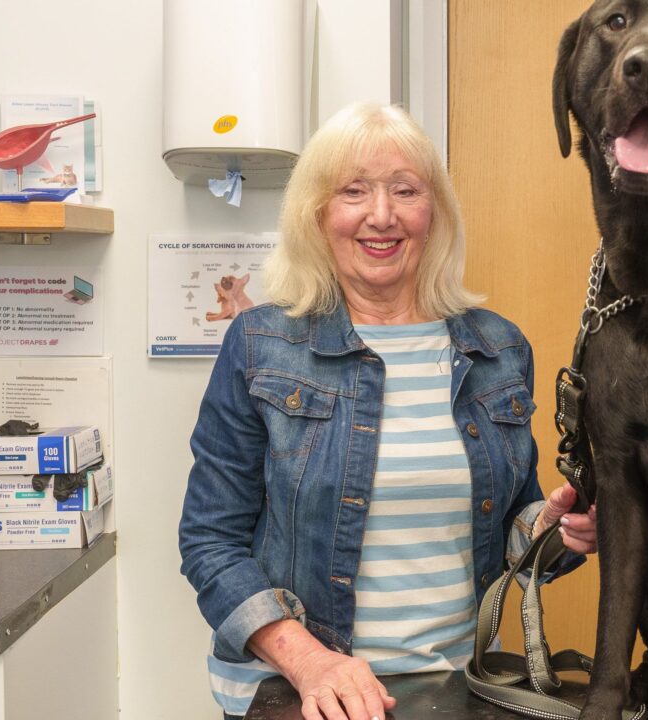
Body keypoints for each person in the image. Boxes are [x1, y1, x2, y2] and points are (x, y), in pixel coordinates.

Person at [179, 102, 597, 720]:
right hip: (299, 690)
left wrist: (552, 532)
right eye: (354, 191)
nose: (382, 215)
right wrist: (311, 661)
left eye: (406, 190)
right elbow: (210, 540)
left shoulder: (498, 347)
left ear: (434, 215)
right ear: (317, 215)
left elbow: (507, 521)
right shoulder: (261, 345)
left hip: (455, 687)